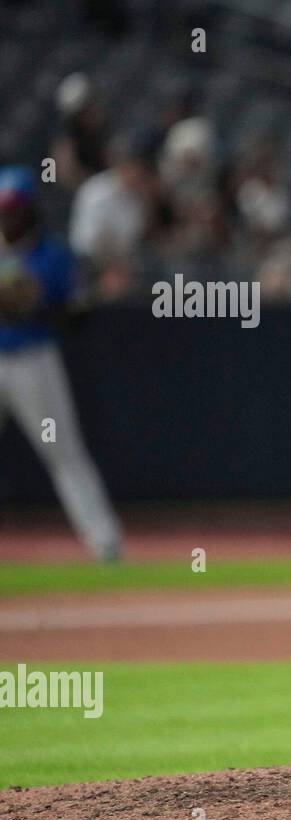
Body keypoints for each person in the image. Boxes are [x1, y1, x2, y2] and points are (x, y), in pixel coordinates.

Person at [0, 166, 122, 561]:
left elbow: (75, 316)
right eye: (3, 209)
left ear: (30, 209)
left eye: (14, 209)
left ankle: (104, 543)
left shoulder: (51, 256)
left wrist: (36, 307)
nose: (8, 216)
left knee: (62, 450)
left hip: (34, 364)